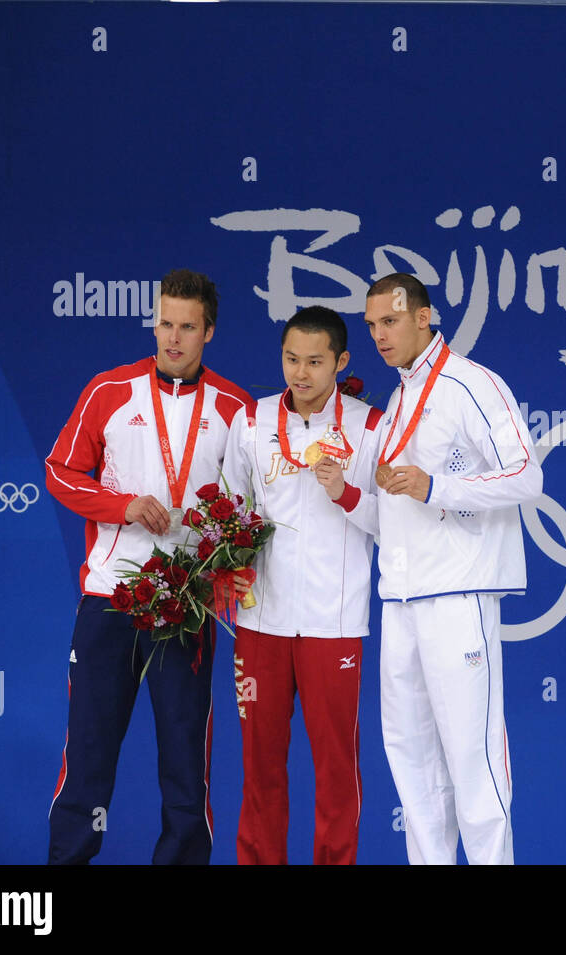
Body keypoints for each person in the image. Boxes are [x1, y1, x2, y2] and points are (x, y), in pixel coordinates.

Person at [44, 268, 252, 864]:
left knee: (187, 763)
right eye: (165, 323)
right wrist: (124, 506)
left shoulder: (235, 407)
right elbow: (61, 471)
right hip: (111, 597)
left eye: (188, 326)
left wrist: (224, 567)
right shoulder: (109, 391)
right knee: (87, 753)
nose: (173, 337)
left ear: (208, 331)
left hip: (186, 607)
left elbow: (249, 513)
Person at [352, 272, 542, 864]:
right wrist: (345, 494)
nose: (380, 336)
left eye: (390, 321)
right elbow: (396, 516)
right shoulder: (397, 401)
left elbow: (527, 477)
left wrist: (437, 485)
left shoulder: (471, 384)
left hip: (459, 598)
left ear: (424, 317)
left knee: (473, 764)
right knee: (412, 765)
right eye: (372, 325)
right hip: (402, 597)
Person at [222, 306, 383, 865]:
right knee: (260, 770)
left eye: (315, 361)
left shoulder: (369, 427)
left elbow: (396, 527)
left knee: (336, 773)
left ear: (341, 361)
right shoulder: (252, 421)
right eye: (292, 358)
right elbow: (227, 509)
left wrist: (346, 493)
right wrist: (228, 557)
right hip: (259, 623)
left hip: (332, 627)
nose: (301, 373)